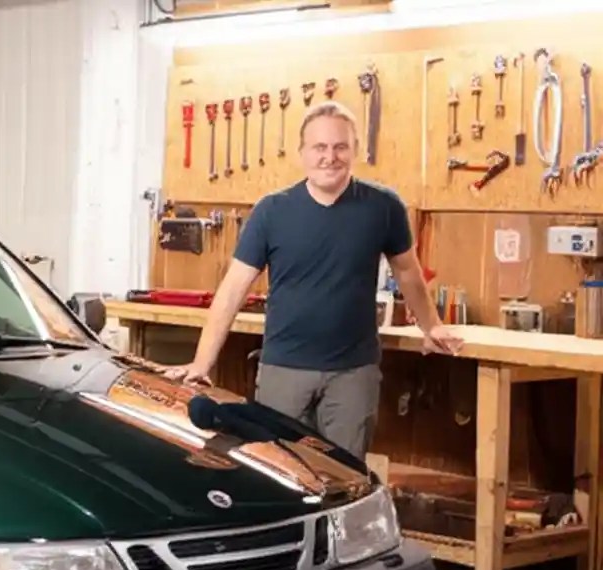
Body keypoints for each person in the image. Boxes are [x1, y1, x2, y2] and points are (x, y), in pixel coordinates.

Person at [162, 100, 463, 460]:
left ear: (355, 150)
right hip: (283, 371)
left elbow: (408, 271)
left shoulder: (383, 207)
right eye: (319, 147)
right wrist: (201, 364)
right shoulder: (272, 211)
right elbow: (231, 292)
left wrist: (432, 325)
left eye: (340, 147)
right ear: (302, 153)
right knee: (280, 471)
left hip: (353, 374)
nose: (330, 157)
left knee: (346, 476)